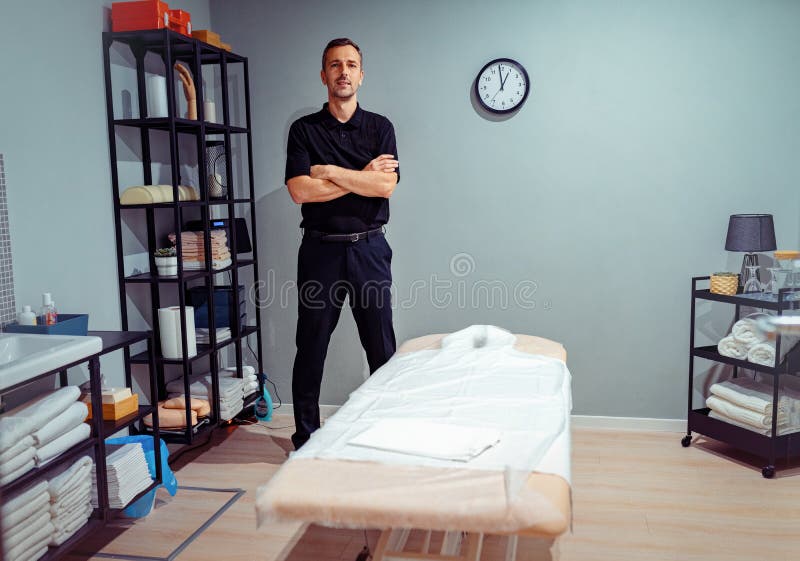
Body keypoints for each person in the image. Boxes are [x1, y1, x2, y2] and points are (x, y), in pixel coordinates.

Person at [284, 38, 400, 449]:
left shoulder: (379, 127)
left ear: (361, 75)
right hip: (320, 252)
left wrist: (330, 172)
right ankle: (306, 437)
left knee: (382, 346)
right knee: (311, 345)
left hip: (369, 249)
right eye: (335, 65)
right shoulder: (304, 130)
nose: (344, 72)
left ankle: (387, 432)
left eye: (351, 65)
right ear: (324, 75)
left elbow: (385, 185)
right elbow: (299, 191)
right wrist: (360, 177)